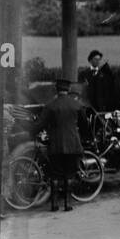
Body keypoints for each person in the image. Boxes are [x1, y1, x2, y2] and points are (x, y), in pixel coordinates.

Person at [32, 79, 84, 213]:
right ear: (68, 89)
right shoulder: (77, 105)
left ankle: (54, 205)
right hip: (73, 144)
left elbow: (40, 124)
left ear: (57, 89)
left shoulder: (50, 106)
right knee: (70, 174)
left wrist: (31, 132)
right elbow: (84, 125)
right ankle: (67, 205)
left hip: (55, 145)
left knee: (55, 174)